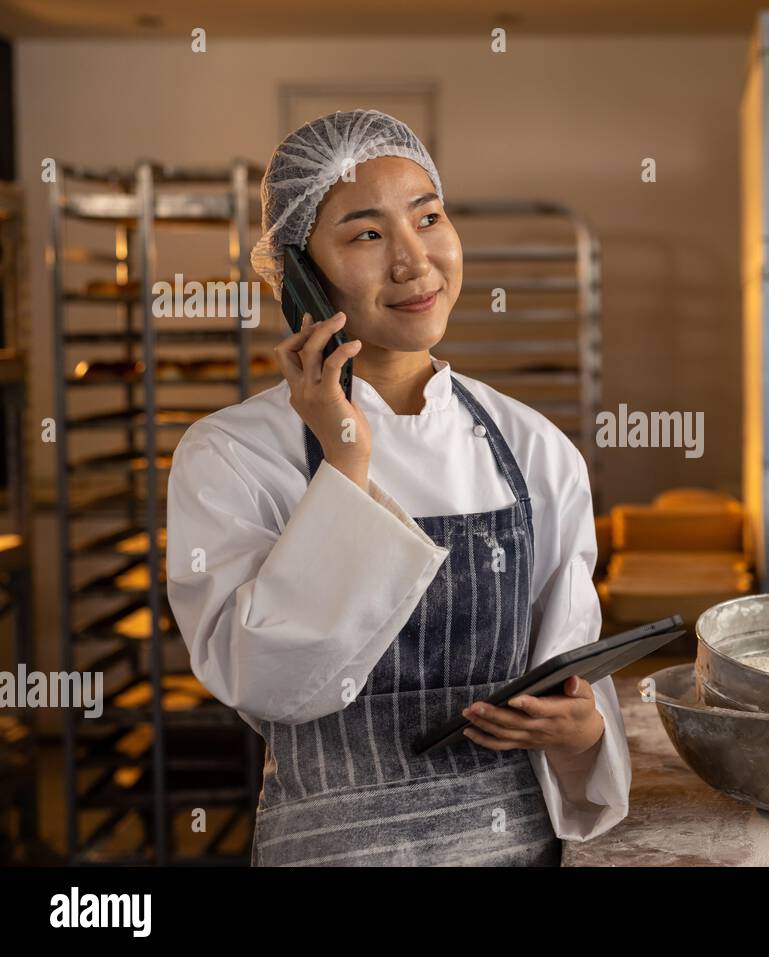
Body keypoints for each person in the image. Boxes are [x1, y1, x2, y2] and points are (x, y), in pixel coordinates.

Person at [165, 109, 630, 866]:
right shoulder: (230, 455)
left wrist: (585, 735)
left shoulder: (535, 448)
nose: (416, 262)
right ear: (298, 274)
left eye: (429, 217)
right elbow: (266, 680)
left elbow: (571, 686)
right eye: (368, 233)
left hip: (513, 847)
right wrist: (344, 460)